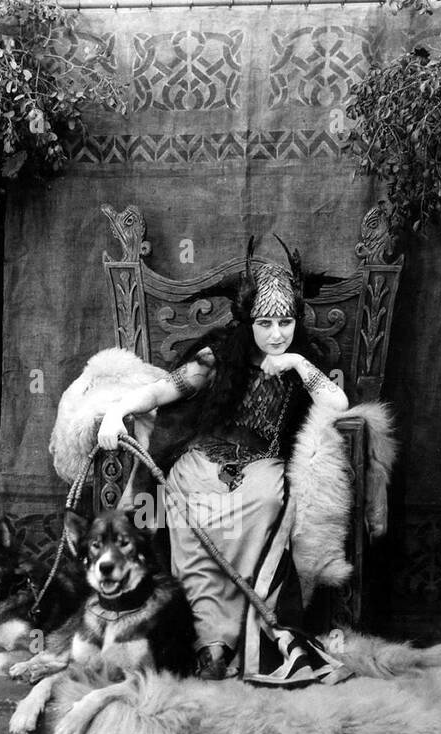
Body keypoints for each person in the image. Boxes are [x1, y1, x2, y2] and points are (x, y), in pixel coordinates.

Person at [95, 236, 352, 685]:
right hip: (204, 460)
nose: (277, 333)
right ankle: (206, 644)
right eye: (266, 322)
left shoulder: (300, 361)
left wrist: (293, 361)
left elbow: (338, 403)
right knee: (183, 498)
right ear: (248, 320)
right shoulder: (219, 355)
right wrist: (119, 411)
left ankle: (242, 641)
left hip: (264, 464)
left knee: (266, 504)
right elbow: (163, 391)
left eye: (286, 322)